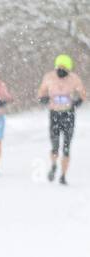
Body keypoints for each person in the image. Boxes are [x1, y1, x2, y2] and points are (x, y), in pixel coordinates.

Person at [38, 54, 87, 185]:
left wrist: (79, 101)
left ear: (69, 69)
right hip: (54, 114)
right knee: (55, 146)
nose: (61, 70)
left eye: (64, 68)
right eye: (60, 67)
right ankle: (54, 165)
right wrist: (44, 99)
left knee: (66, 147)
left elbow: (83, 93)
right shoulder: (49, 77)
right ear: (56, 66)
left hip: (68, 115)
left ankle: (63, 175)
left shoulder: (74, 79)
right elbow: (41, 92)